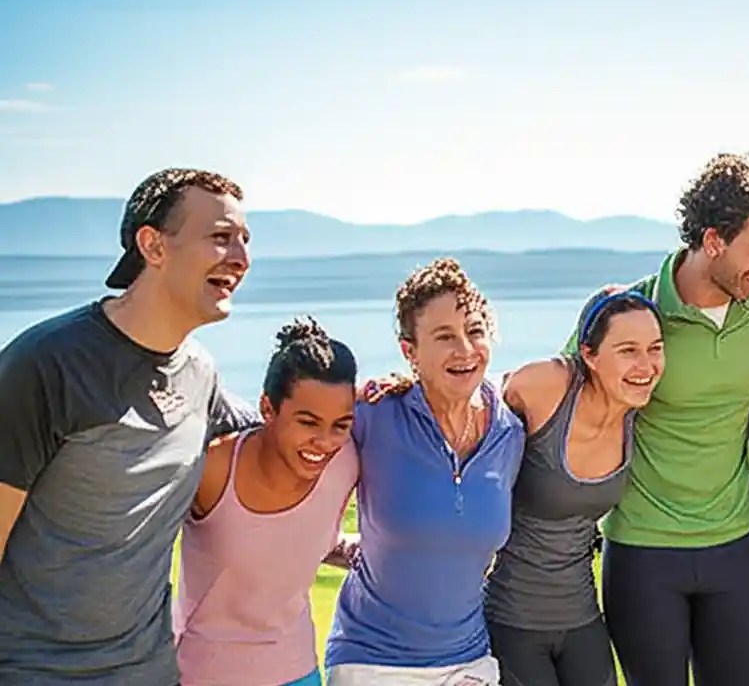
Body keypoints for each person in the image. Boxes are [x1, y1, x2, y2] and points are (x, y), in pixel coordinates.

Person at [0, 168, 260, 685]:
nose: (241, 259)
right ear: (153, 246)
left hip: (151, 674)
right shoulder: (45, 365)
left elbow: (282, 430)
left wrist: (389, 396)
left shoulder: (199, 373)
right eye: (219, 238)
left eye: (245, 241)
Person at [563, 151, 749, 686]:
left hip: (735, 546)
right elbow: (552, 391)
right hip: (643, 551)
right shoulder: (634, 310)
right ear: (714, 240)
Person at [325, 257, 525, 686]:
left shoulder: (509, 433)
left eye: (474, 331)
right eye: (444, 337)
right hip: (373, 659)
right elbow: (291, 457)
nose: (466, 350)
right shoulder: (371, 415)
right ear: (409, 352)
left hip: (469, 660)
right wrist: (342, 547)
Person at [484, 287, 663, 686]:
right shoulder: (547, 386)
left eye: (655, 348)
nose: (646, 365)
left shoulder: (636, 407)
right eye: (628, 350)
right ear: (589, 354)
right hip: (512, 620)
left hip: (582, 618)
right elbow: (464, 409)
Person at [173, 316, 360, 686]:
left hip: (297, 672)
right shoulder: (211, 470)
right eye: (307, 422)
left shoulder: (348, 459)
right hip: (201, 674)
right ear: (268, 409)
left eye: (340, 424)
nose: (324, 442)